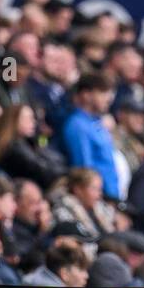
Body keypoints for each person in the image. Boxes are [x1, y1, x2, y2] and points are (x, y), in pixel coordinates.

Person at [61, 72, 119, 200]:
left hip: (111, 196)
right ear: (86, 95)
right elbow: (84, 169)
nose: (108, 98)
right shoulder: (77, 125)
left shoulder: (97, 123)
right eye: (102, 92)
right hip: (98, 197)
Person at [0, 103, 67, 189]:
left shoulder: (28, 142)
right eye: (28, 119)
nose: (33, 122)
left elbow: (56, 159)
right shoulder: (13, 147)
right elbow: (42, 172)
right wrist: (68, 173)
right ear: (13, 120)